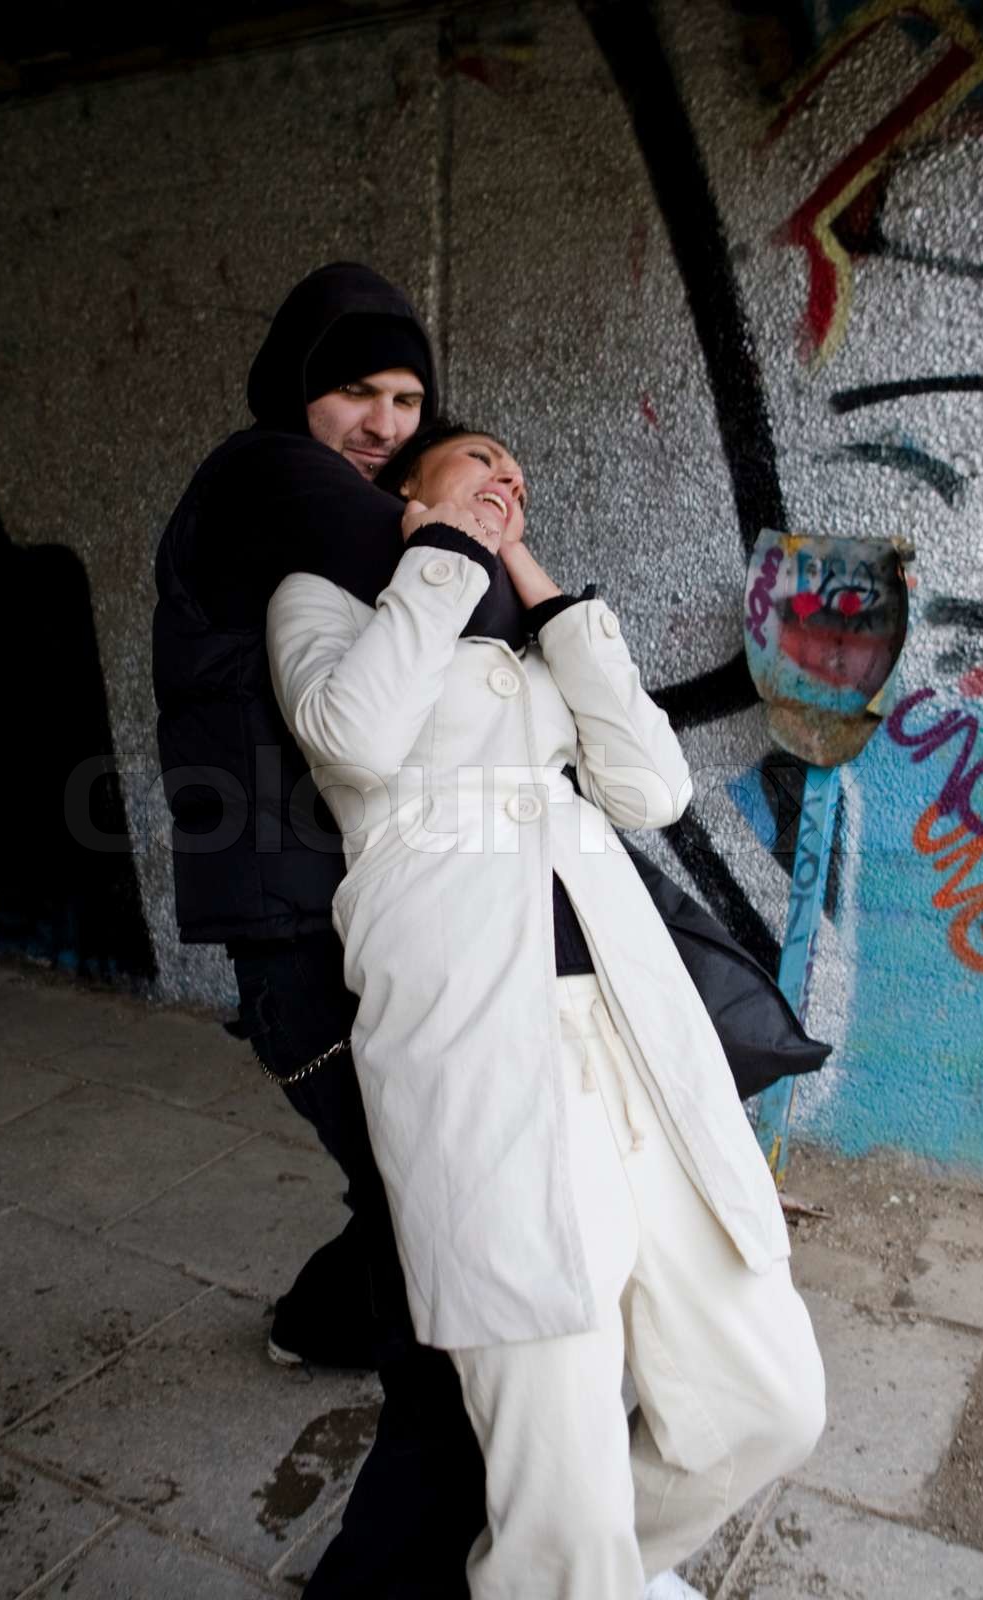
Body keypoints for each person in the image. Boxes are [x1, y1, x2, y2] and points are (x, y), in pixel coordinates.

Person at [265, 421, 827, 1600]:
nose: (506, 474)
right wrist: (443, 560)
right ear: (403, 493)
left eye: (518, 466)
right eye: (474, 460)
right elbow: (350, 740)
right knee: (557, 1467)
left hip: (630, 1039)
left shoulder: (536, 646)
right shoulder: (331, 605)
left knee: (764, 1405)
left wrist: (542, 593)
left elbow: (651, 787)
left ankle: (593, 1579)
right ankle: (573, 1579)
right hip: (481, 1045)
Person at [153, 264, 502, 1598]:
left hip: (336, 927)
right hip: (305, 941)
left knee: (399, 1175)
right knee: (443, 1278)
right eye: (354, 388)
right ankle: (383, 1576)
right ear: (299, 384)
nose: (378, 418)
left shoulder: (313, 502)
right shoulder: (265, 475)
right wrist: (473, 529)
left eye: (405, 395)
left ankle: (312, 1318)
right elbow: (468, 598)